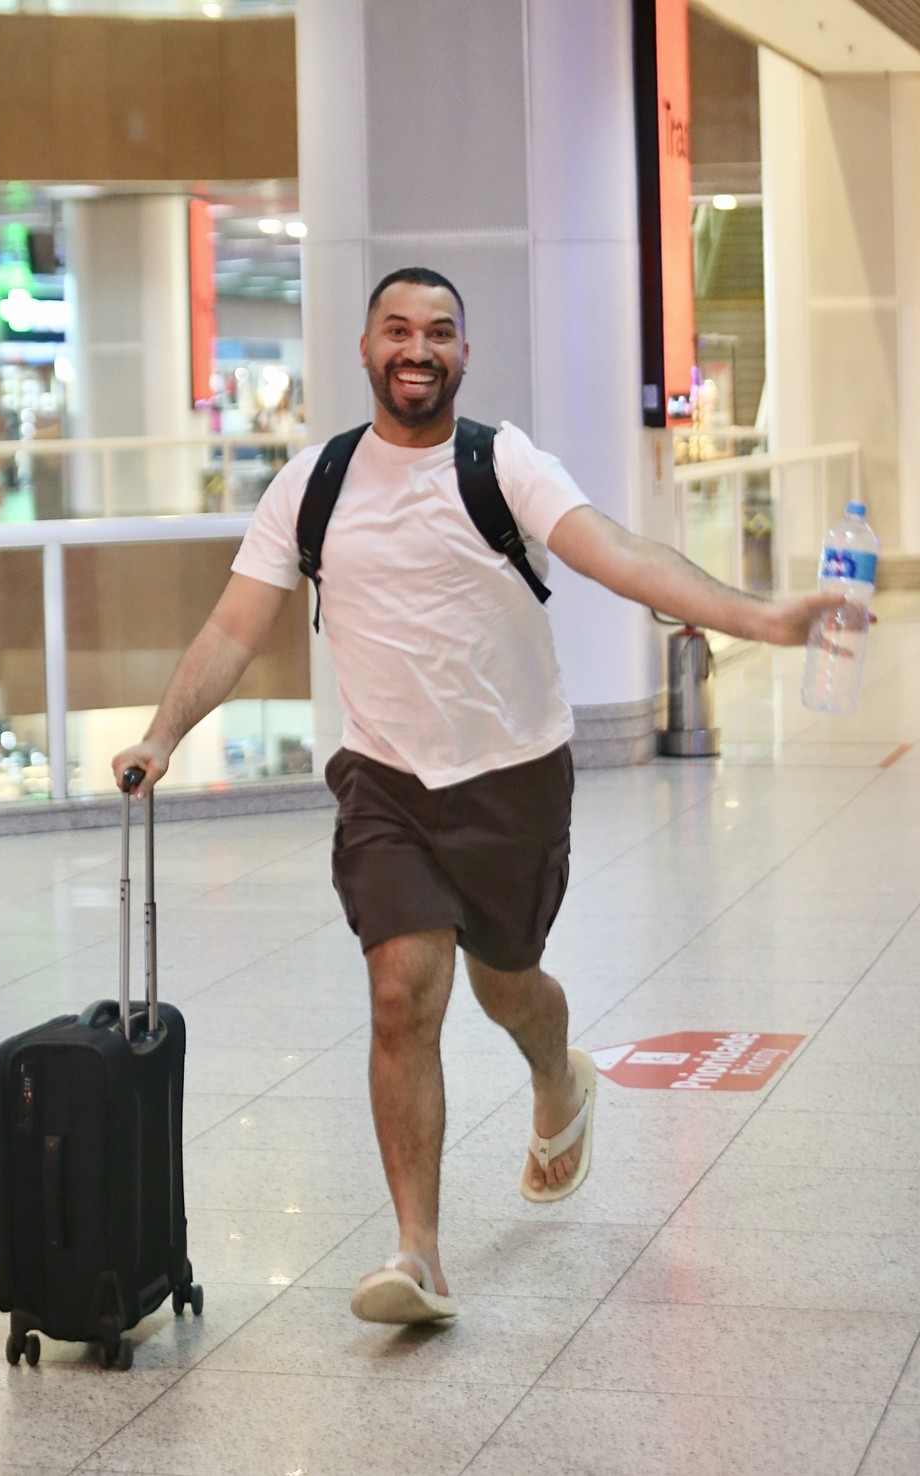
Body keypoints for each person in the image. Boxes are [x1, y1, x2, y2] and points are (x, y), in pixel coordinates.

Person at [112, 267, 844, 1327]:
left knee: (509, 987)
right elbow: (236, 626)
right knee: (403, 994)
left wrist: (761, 618)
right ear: (364, 351)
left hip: (513, 781)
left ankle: (559, 1074)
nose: (418, 349)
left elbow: (621, 555)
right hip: (384, 783)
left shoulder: (497, 463)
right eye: (397, 331)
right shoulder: (312, 484)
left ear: (464, 352)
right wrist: (161, 734)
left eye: (439, 332)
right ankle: (418, 1254)